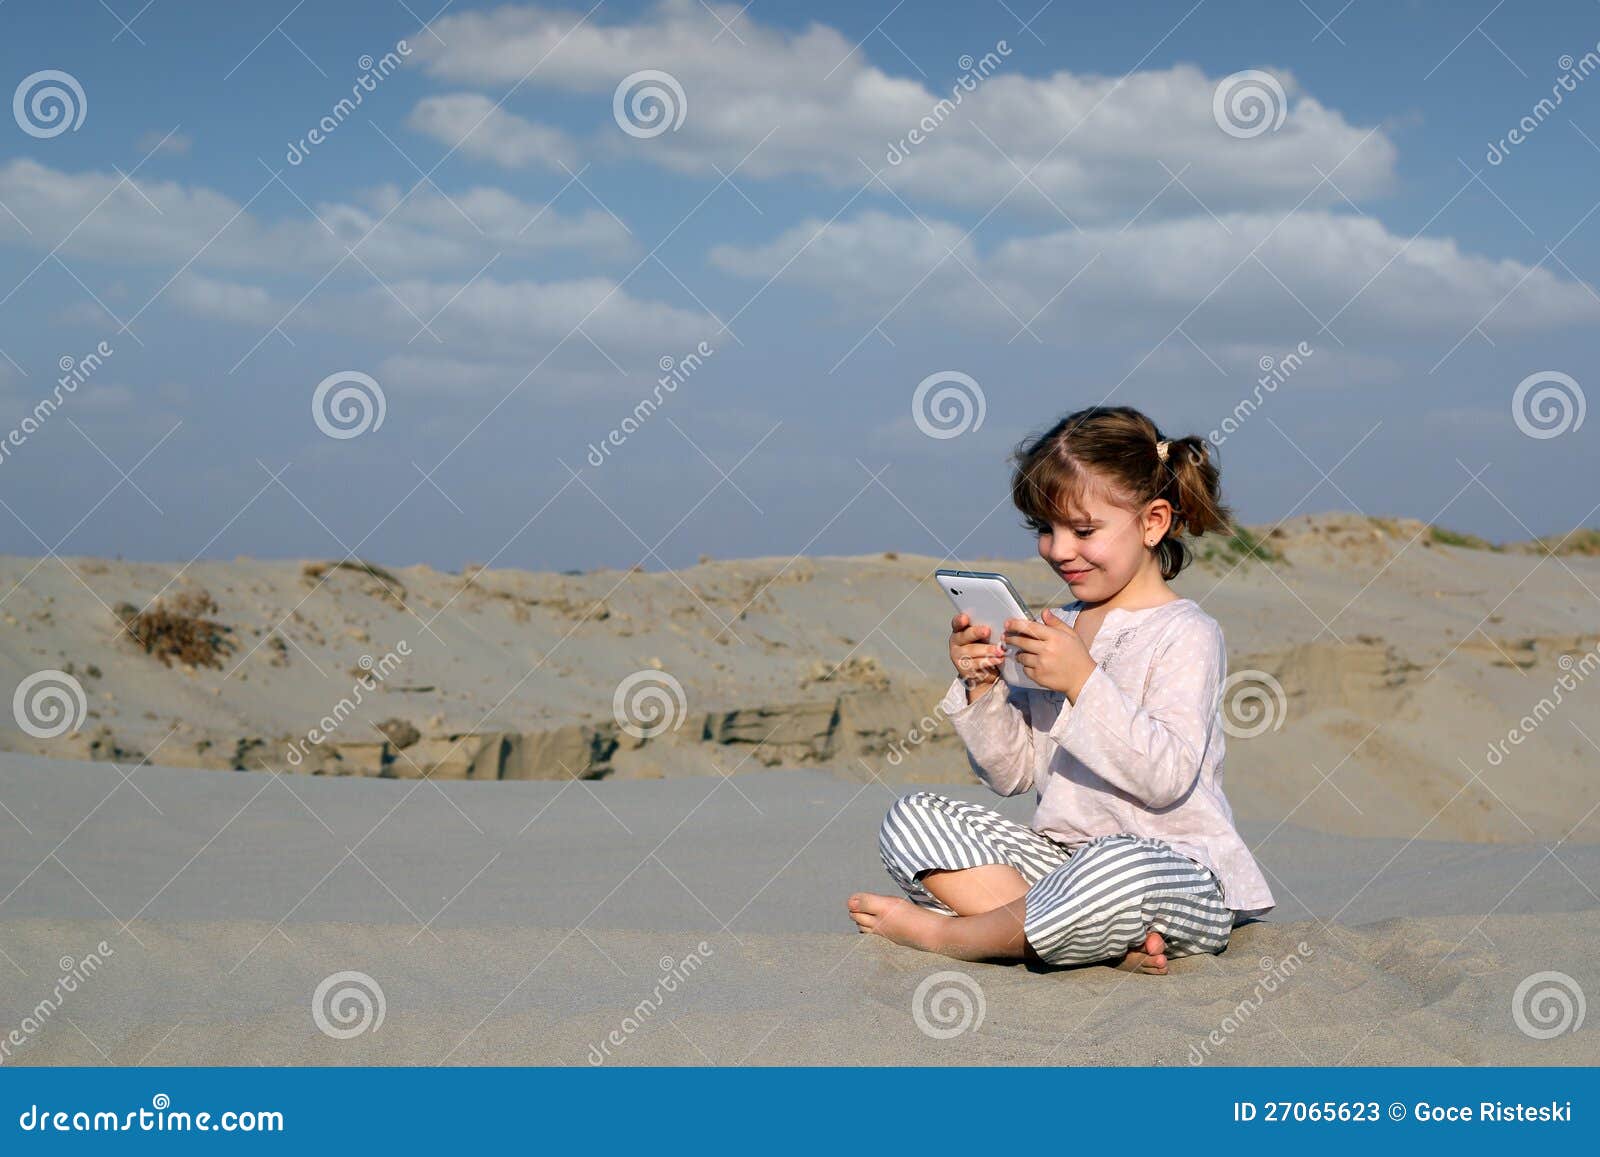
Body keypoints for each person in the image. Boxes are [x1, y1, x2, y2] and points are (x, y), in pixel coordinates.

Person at [846, 405, 1274, 973]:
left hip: (1172, 872)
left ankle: (958, 937)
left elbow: (1166, 777)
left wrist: (1082, 680)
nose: (1059, 549)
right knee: (913, 818)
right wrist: (983, 687)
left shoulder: (1186, 632)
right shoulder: (1058, 628)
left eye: (1084, 530)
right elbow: (1013, 774)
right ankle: (1079, 939)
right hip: (1060, 865)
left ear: (1153, 522)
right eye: (1045, 530)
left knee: (1117, 869)